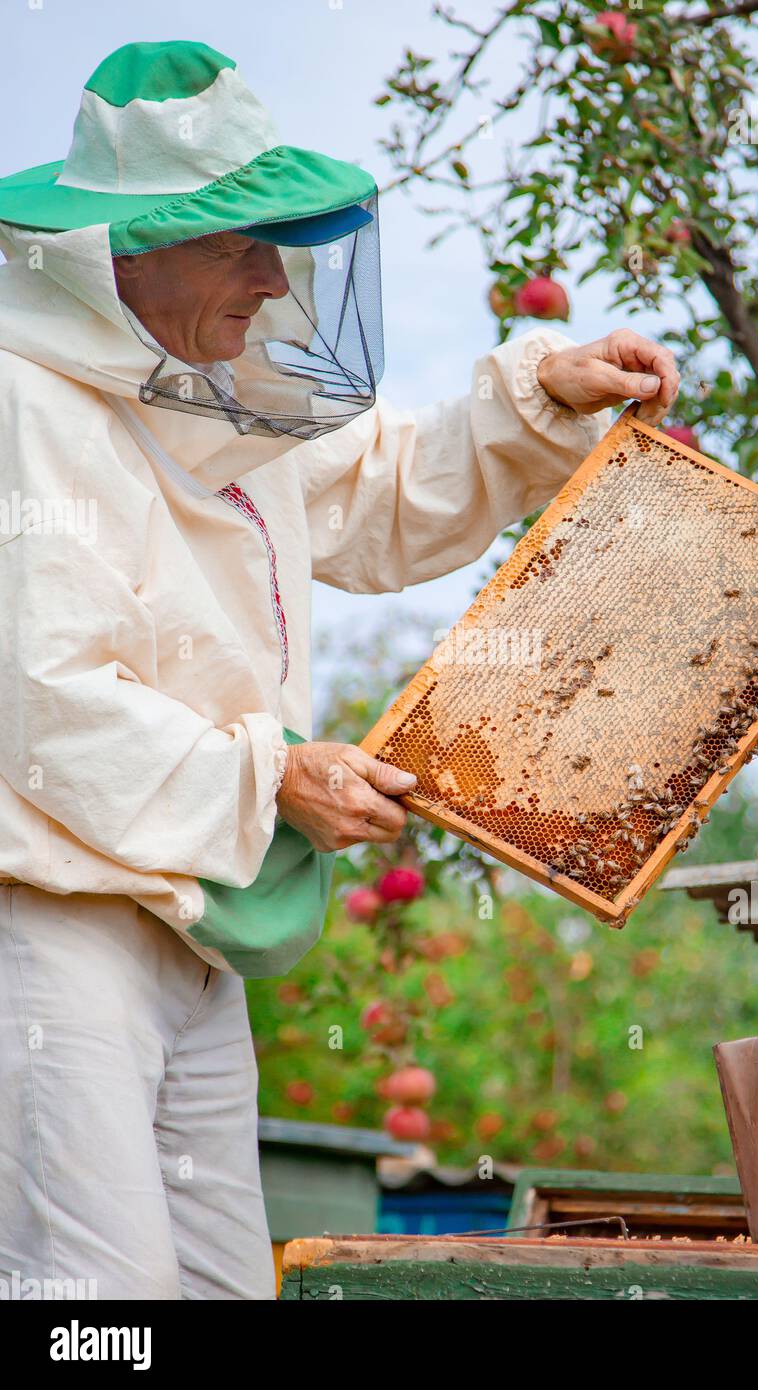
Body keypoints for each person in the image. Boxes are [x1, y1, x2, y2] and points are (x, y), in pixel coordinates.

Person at [0, 40, 679, 1299]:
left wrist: (539, 397)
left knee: (218, 1289)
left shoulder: (219, 385)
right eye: (239, 240)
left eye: (280, 236)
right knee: (92, 1301)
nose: (271, 273)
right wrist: (274, 780)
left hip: (194, 917)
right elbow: (45, 707)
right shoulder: (24, 406)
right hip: (54, 932)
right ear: (130, 248)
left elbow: (375, 499)